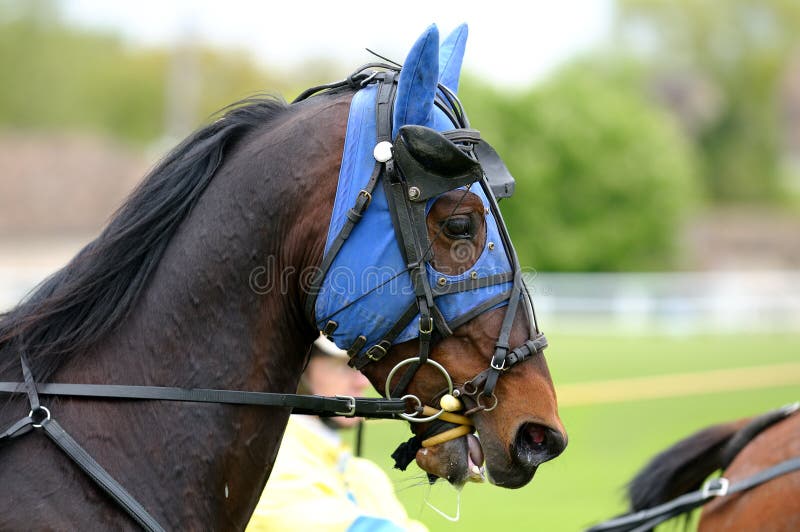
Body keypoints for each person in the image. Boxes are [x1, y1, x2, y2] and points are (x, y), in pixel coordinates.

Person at [247, 335, 427, 532]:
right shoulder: (272, 456)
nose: (362, 383)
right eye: (345, 366)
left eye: (362, 367)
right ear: (299, 368)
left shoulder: (365, 475)